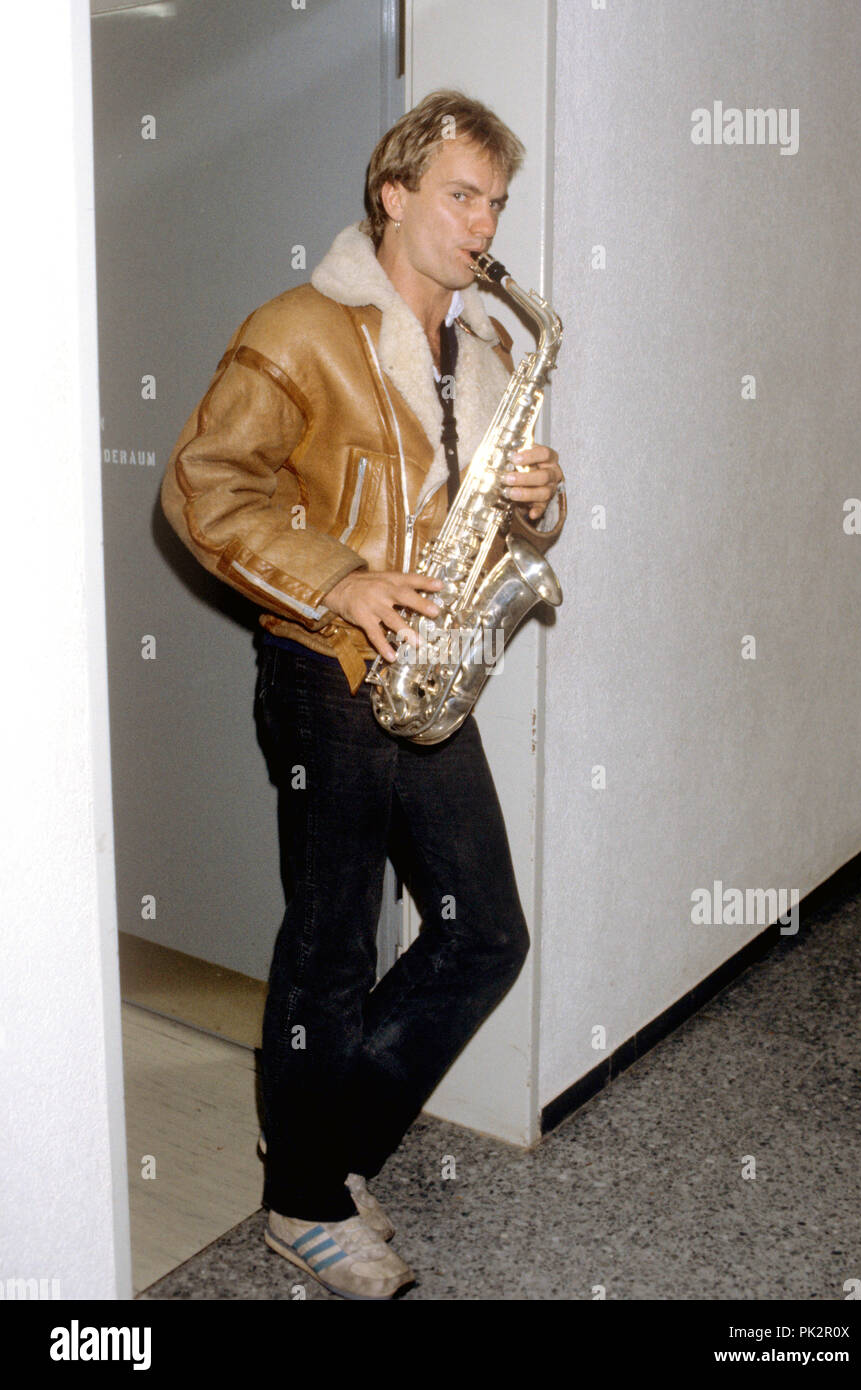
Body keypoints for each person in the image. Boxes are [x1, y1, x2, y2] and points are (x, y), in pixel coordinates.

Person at [160, 89, 566, 1300]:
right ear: (393, 193)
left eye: (494, 200)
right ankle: (306, 1205)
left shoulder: (488, 349)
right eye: (460, 194)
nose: (482, 222)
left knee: (481, 932)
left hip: (425, 672)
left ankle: (318, 1162)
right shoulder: (299, 326)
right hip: (321, 665)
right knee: (331, 947)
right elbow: (203, 487)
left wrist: (536, 495)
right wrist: (338, 579)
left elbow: (485, 518)